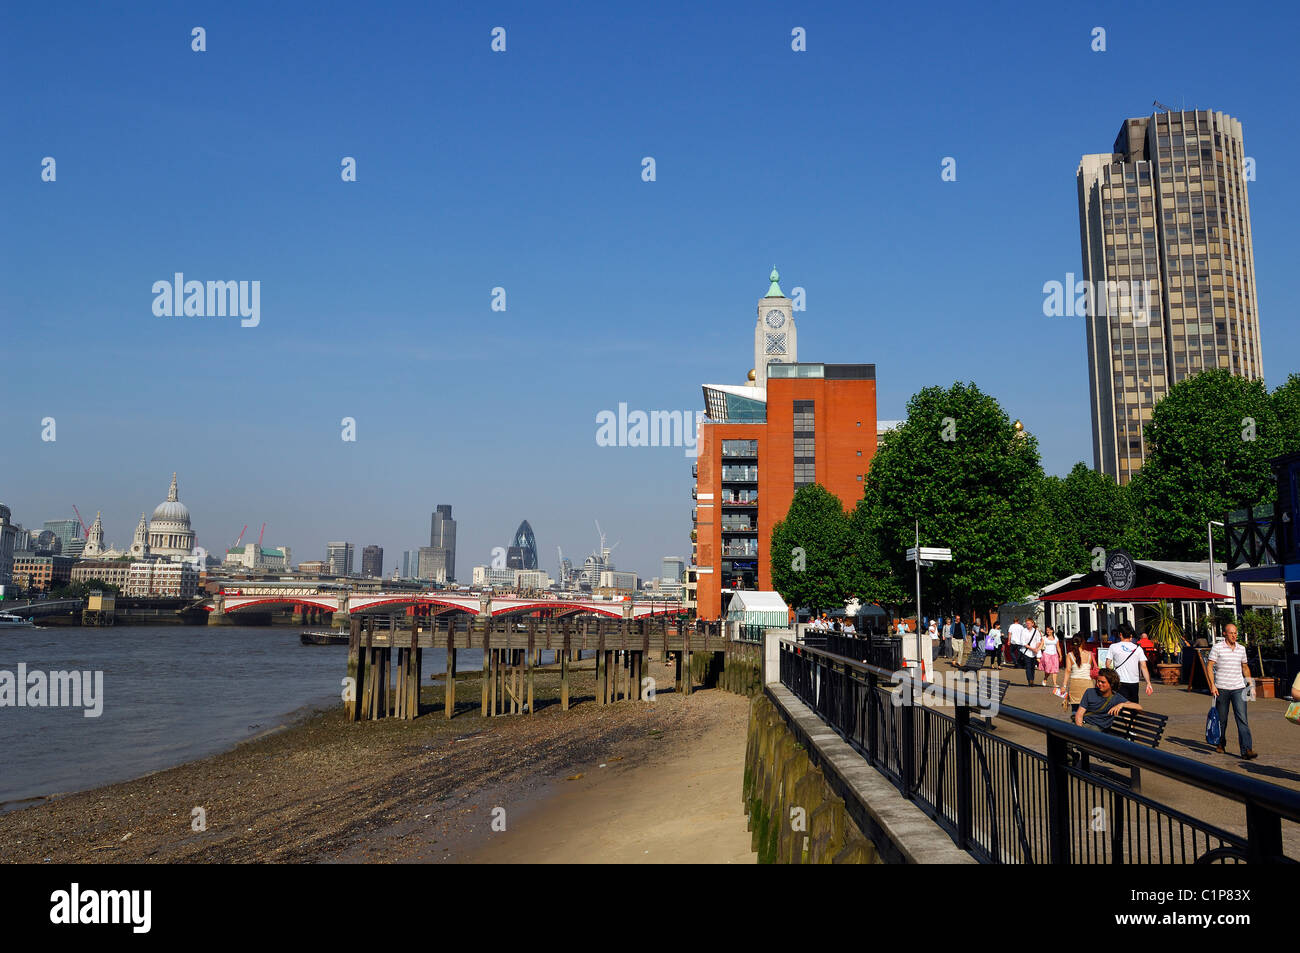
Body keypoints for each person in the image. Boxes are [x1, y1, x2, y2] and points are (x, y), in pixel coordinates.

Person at [1207, 622, 1257, 760]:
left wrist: (1250, 685)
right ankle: (1220, 743)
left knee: (1242, 719)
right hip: (1222, 688)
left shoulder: (1241, 648)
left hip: (1239, 688)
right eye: (1231, 633)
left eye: (1235, 633)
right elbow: (1210, 666)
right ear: (1224, 634)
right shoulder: (1217, 648)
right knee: (1222, 719)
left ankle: (1247, 749)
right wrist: (1212, 685)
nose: (1234, 635)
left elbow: (1245, 667)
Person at [1074, 668, 1143, 730]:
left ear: (1111, 684)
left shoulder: (1116, 697)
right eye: (1098, 681)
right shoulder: (1090, 692)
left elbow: (1139, 707)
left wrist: (1122, 704)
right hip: (1084, 725)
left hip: (1098, 729)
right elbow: (1079, 714)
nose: (1099, 684)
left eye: (1103, 682)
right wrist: (1079, 731)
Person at [1107, 628, 1153, 702]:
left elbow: (1108, 664)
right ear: (1130, 636)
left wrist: (1111, 678)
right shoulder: (1138, 648)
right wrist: (1148, 682)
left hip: (1119, 680)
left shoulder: (1113, 647)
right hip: (1134, 680)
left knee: (1120, 704)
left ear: (1120, 634)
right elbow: (1143, 666)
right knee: (1133, 704)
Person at [1065, 636, 1095, 713]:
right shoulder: (1089, 654)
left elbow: (1068, 670)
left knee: (1075, 709)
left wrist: (1064, 686)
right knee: (1088, 709)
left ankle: (1076, 724)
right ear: (1082, 643)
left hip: (1075, 685)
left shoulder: (1070, 655)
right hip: (1087, 684)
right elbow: (1091, 669)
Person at [1021, 618, 1042, 686]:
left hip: (1034, 652)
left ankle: (1032, 679)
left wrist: (1036, 648)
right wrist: (1032, 648)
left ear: (1033, 624)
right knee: (1028, 666)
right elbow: (1023, 642)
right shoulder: (1024, 631)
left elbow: (1039, 640)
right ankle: (1029, 680)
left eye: (1029, 623)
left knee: (1032, 667)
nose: (1028, 625)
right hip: (1026, 651)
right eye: (1027, 623)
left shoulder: (1036, 631)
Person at [1040, 625, 1061, 691]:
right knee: (1048, 669)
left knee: (1055, 669)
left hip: (1054, 654)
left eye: (1049, 630)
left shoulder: (1056, 638)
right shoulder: (1044, 638)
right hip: (1046, 654)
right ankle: (1045, 679)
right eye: (1047, 630)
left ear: (1052, 631)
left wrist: (1061, 655)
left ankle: (1055, 683)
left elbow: (1058, 647)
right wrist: (1036, 650)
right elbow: (1041, 645)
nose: (1048, 631)